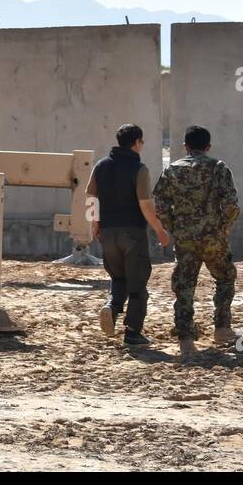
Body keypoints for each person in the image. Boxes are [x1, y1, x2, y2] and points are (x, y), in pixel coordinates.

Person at [152, 125, 241, 362]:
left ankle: (186, 339)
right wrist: (223, 226)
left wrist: (174, 227)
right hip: (214, 237)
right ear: (208, 146)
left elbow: (159, 205)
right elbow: (232, 203)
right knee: (225, 277)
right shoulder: (218, 168)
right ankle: (222, 328)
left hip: (185, 239)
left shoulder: (172, 170)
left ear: (185, 146)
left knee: (185, 285)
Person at [87, 124, 170, 348]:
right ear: (136, 143)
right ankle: (133, 333)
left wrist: (95, 224)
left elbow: (91, 197)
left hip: (107, 232)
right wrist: (160, 230)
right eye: (141, 142)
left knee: (118, 278)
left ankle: (112, 308)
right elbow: (145, 204)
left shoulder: (101, 165)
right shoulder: (139, 168)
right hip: (132, 233)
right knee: (137, 284)